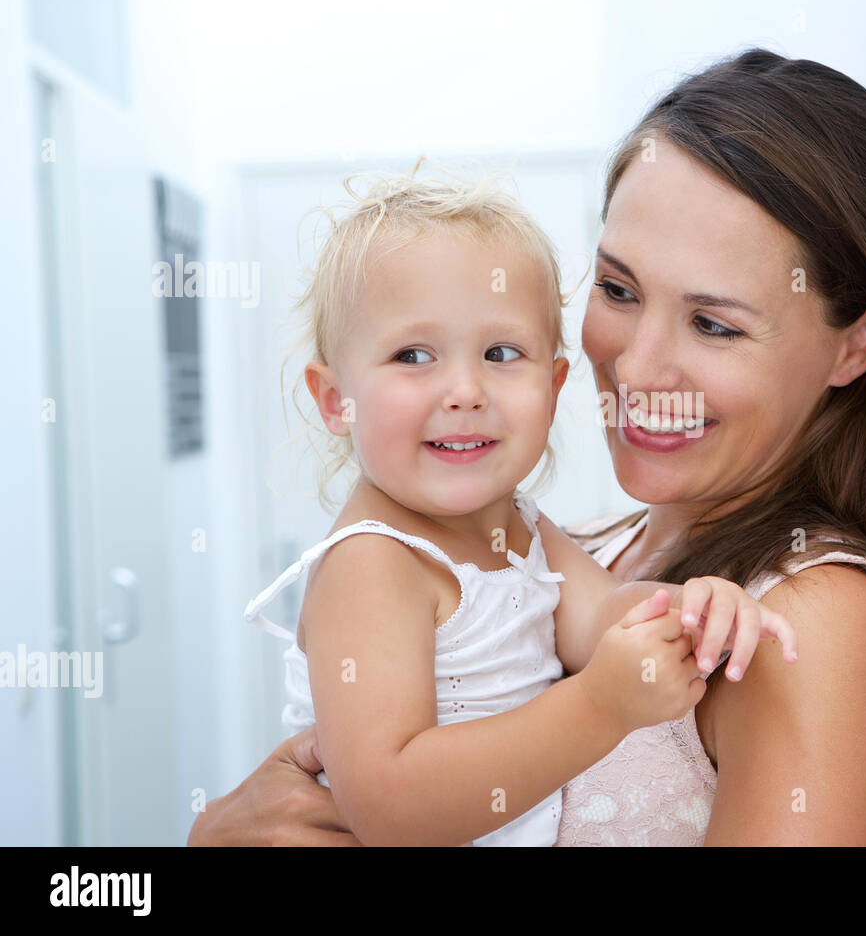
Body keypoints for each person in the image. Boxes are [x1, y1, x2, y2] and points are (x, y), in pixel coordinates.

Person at [189, 46, 866, 847]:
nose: (639, 365)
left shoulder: (805, 626)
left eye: (715, 324)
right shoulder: (565, 551)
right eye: (618, 290)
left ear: (857, 344)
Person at [239, 166, 796, 846]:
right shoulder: (373, 563)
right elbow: (388, 807)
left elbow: (603, 617)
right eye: (413, 355)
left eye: (502, 352)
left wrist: (694, 610)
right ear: (335, 400)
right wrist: (597, 707)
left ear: (553, 385)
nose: (466, 390)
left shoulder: (520, 528)